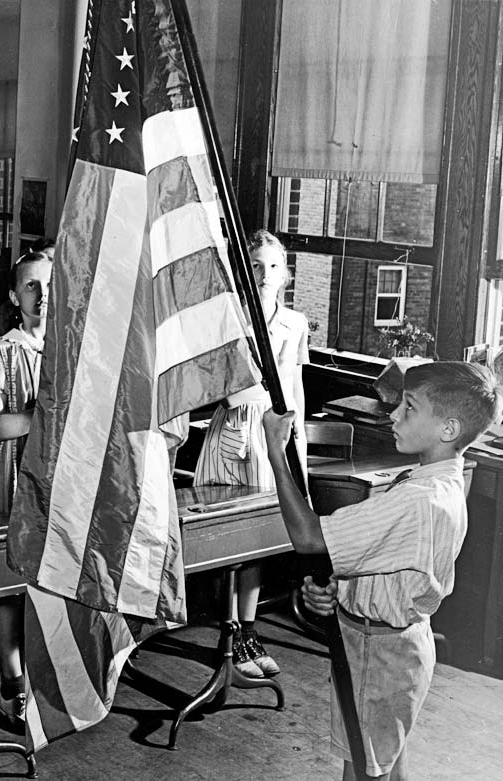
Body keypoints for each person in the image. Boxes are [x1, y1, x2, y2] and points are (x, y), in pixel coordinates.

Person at [263, 361, 501, 780]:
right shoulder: (438, 483)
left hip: (380, 656)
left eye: (409, 407)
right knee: (386, 766)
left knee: (363, 771)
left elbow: (309, 538)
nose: (393, 415)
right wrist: (340, 589)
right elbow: (386, 560)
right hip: (392, 646)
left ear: (448, 429)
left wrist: (276, 455)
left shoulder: (419, 498)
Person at [193, 229, 308, 678]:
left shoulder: (295, 323)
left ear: (286, 274)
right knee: (229, 537)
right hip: (235, 432)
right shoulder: (231, 320)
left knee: (257, 540)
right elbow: (219, 387)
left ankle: (248, 632)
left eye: (273, 266)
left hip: (273, 434)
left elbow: (294, 387)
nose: (264, 274)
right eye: (256, 266)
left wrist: (297, 443)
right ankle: (229, 634)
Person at [0, 251, 51, 726]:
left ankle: (47, 680)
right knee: (6, 585)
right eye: (30, 286)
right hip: (11, 476)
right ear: (14, 296)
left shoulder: (71, 349)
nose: (42, 294)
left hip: (58, 480)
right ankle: (12, 682)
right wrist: (42, 416)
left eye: (49, 284)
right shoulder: (0, 353)